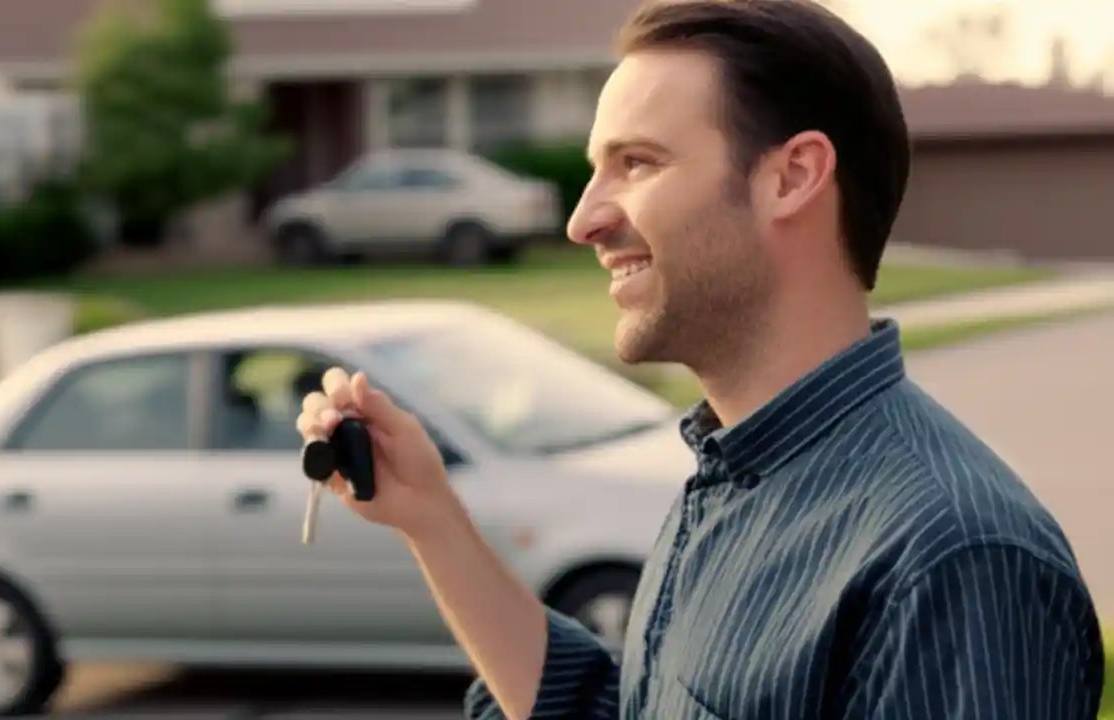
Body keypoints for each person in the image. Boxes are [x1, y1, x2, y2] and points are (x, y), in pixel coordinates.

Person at [296, 0, 1106, 717]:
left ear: (792, 177)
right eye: (594, 171)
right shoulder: (735, 473)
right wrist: (431, 516)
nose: (583, 220)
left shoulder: (951, 563)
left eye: (636, 163)